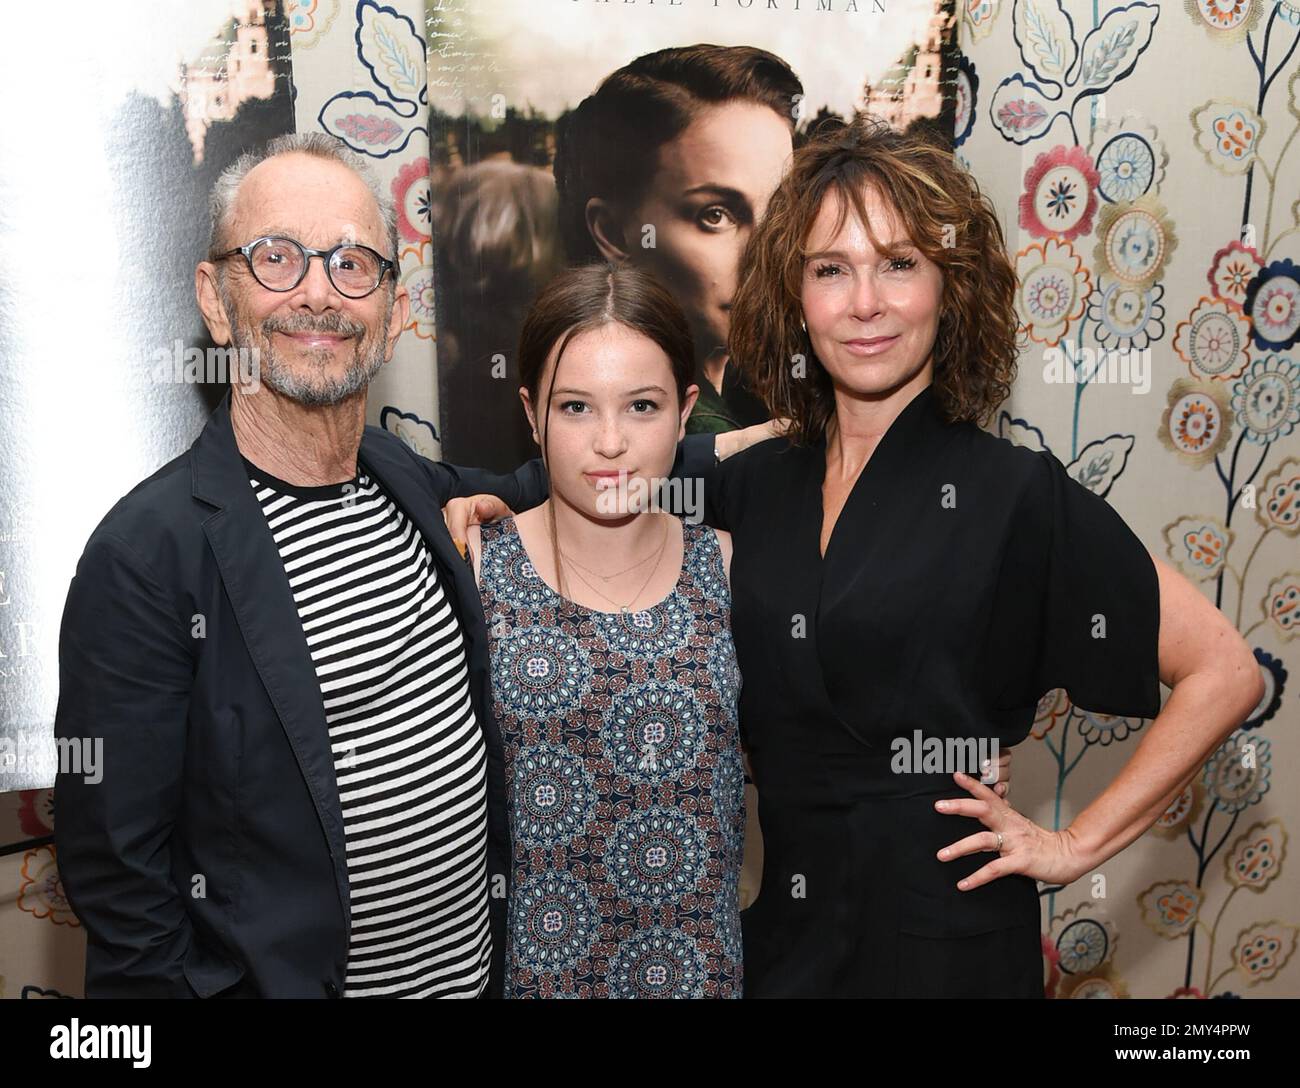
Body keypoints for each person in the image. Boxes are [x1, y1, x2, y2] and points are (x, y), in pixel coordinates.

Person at [447, 115, 1263, 997]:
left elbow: (1225, 671)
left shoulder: (1011, 494)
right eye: (831, 270)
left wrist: (1072, 845)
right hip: (786, 942)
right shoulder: (756, 483)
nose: (865, 302)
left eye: (899, 263)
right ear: (796, 296)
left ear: (949, 286)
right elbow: (614, 458)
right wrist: (489, 500)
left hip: (945, 947)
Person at [52, 133, 550, 998]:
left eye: (352, 264)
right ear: (215, 300)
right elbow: (120, 884)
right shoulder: (144, 558)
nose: (318, 292)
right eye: (276, 257)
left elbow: (568, 482)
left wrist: (758, 451)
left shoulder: (404, 478)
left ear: (393, 311)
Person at [464, 262, 747, 997]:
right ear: (532, 414)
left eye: (642, 406)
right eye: (576, 408)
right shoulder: (474, 569)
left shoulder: (728, 567)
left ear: (685, 412)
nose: (611, 442)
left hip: (700, 980)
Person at [554, 44, 800, 434]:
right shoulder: (644, 431)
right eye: (715, 215)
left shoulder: (763, 383)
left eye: (781, 209)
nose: (766, 254)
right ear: (614, 234)